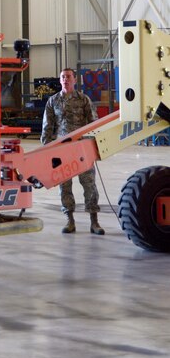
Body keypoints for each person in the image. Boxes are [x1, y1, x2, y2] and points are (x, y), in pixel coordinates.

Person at [40, 67, 105, 235]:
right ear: (60, 80)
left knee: (89, 184)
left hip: (82, 149)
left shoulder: (84, 99)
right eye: (62, 77)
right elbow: (47, 129)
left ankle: (94, 221)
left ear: (75, 80)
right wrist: (46, 151)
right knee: (65, 186)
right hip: (62, 151)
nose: (65, 79)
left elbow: (94, 124)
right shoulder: (53, 101)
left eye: (69, 77)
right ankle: (69, 221)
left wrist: (94, 147)